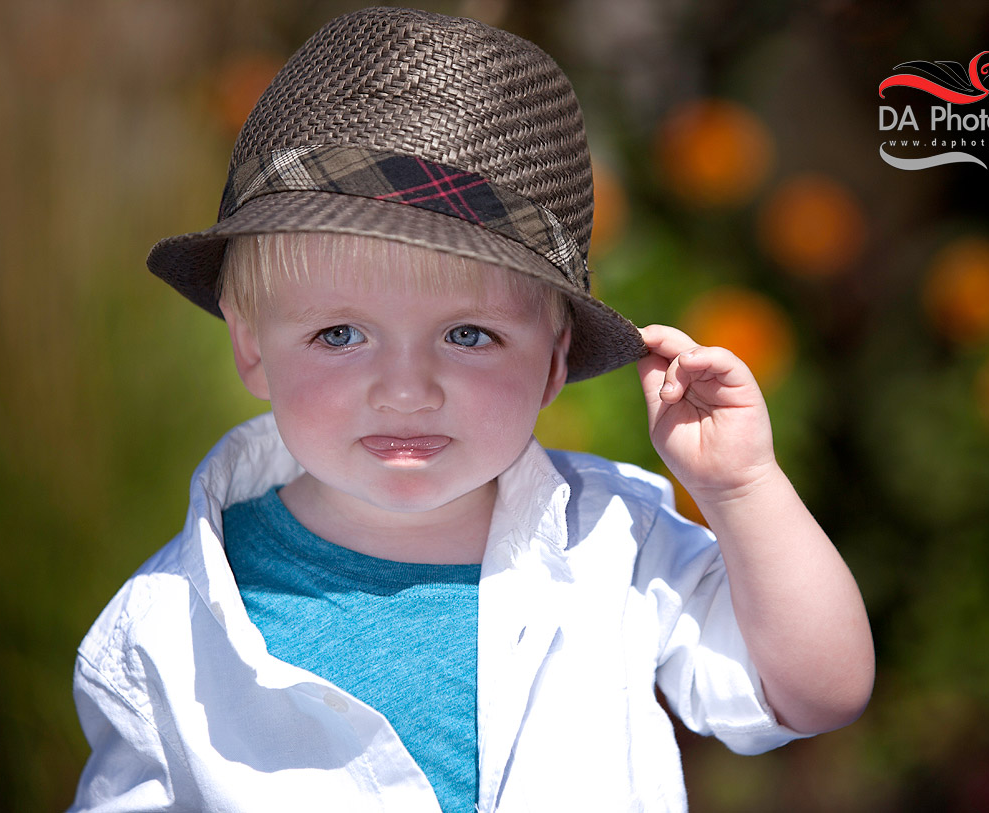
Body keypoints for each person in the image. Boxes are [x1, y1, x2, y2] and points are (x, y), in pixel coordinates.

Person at [69, 7, 874, 811]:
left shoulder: (614, 543)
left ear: (554, 360)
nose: (407, 387)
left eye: (468, 334)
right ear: (252, 347)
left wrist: (742, 489)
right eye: (340, 333)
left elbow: (817, 689)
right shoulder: (164, 633)